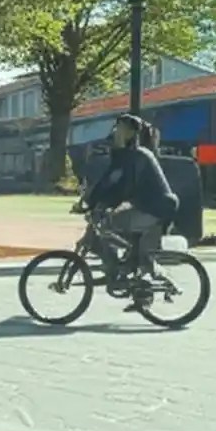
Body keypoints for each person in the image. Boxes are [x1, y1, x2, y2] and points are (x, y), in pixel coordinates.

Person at [74, 114, 179, 297]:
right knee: (115, 234)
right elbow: (107, 182)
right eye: (116, 128)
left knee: (108, 226)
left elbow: (123, 188)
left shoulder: (137, 156)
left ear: (130, 133)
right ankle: (130, 275)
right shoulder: (123, 155)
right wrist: (89, 202)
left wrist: (104, 205)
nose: (116, 132)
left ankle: (121, 273)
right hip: (145, 206)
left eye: (121, 129)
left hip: (156, 207)